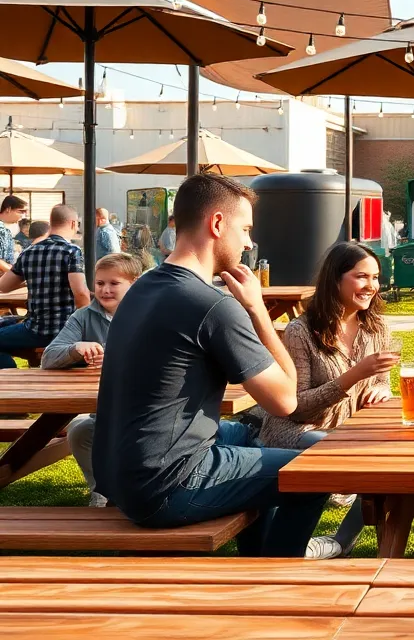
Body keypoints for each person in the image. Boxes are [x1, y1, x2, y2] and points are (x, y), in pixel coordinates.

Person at [92, 173, 329, 557]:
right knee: (315, 472)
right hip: (165, 486)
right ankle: (273, 575)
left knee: (247, 435)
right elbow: (286, 400)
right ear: (217, 224)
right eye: (246, 229)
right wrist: (256, 309)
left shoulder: (143, 289)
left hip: (119, 473)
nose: (249, 242)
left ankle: (253, 558)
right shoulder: (212, 305)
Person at [259, 241, 397, 559]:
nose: (372, 286)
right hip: (295, 430)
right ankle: (286, 550)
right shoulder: (300, 331)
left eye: (376, 278)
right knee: (346, 453)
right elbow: (295, 406)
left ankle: (341, 542)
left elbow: (381, 381)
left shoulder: (375, 326)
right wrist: (353, 376)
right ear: (336, 278)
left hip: (345, 432)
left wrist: (382, 390)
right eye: (362, 277)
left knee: (394, 459)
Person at [42, 253, 142, 507]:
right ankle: (102, 489)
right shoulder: (83, 316)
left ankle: (138, 490)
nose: (105, 290)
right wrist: (76, 348)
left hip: (145, 407)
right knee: (80, 430)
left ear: (135, 283)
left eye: (114, 283)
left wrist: (117, 357)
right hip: (102, 406)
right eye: (99, 284)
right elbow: (48, 358)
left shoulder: (149, 315)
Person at [0, 205, 90, 368]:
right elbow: (81, 294)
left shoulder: (29, 252)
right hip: (65, 331)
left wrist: (34, 275)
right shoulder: (72, 251)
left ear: (51, 224)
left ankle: (8, 373)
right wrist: (86, 329)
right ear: (73, 224)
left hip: (35, 330)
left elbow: (4, 286)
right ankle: (9, 377)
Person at [0, 195, 29, 274]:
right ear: (8, 209)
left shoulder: (7, 230)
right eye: (21, 211)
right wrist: (13, 274)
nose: (23, 216)